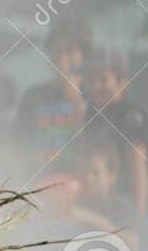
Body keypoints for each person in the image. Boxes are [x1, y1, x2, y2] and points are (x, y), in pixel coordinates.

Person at [83, 50, 148, 215]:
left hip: (128, 201)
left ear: (121, 82)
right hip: (104, 202)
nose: (97, 86)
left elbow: (138, 165)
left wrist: (139, 215)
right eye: (92, 80)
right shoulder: (92, 114)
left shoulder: (131, 115)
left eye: (104, 79)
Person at [16, 24, 89, 167]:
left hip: (81, 179)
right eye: (57, 51)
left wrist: (75, 98)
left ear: (83, 56)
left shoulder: (97, 95)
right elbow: (18, 143)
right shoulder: (32, 96)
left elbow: (92, 145)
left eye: (69, 51)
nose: (62, 58)